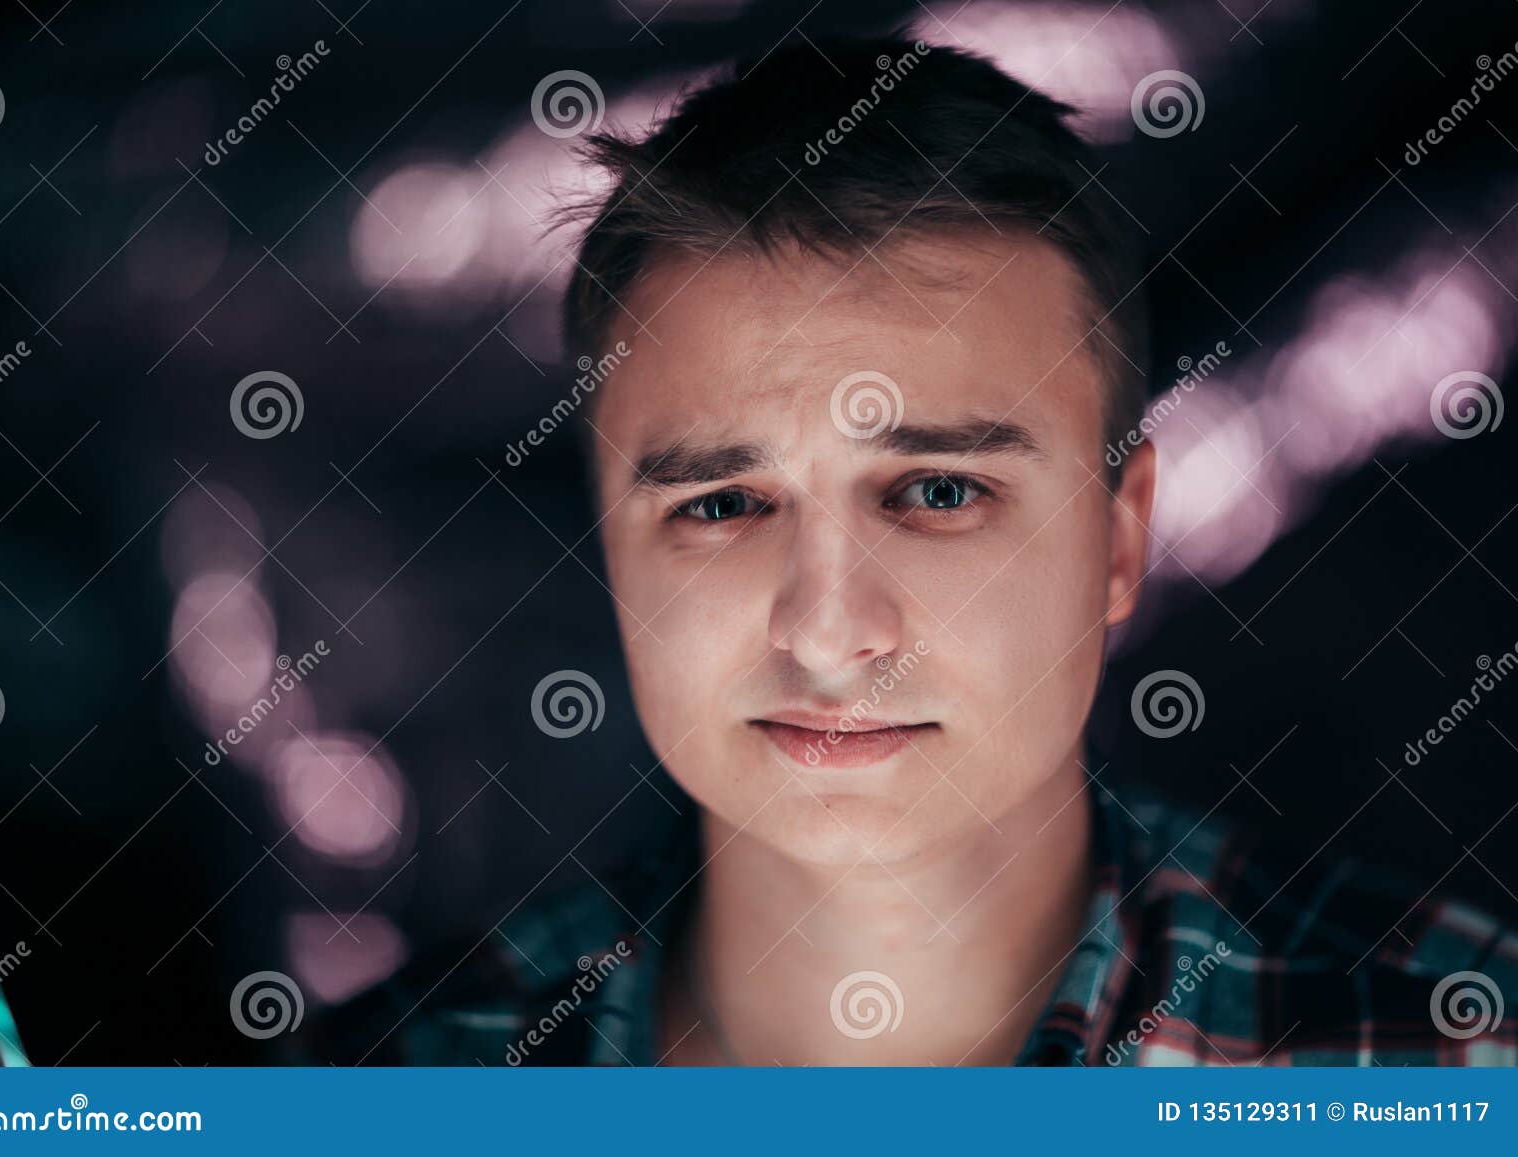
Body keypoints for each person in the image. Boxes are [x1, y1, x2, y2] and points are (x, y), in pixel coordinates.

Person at [308, 35, 1516, 1067]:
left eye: (938, 489)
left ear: (1119, 532)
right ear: (614, 544)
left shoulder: (1450, 1049)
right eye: (722, 504)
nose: (828, 629)